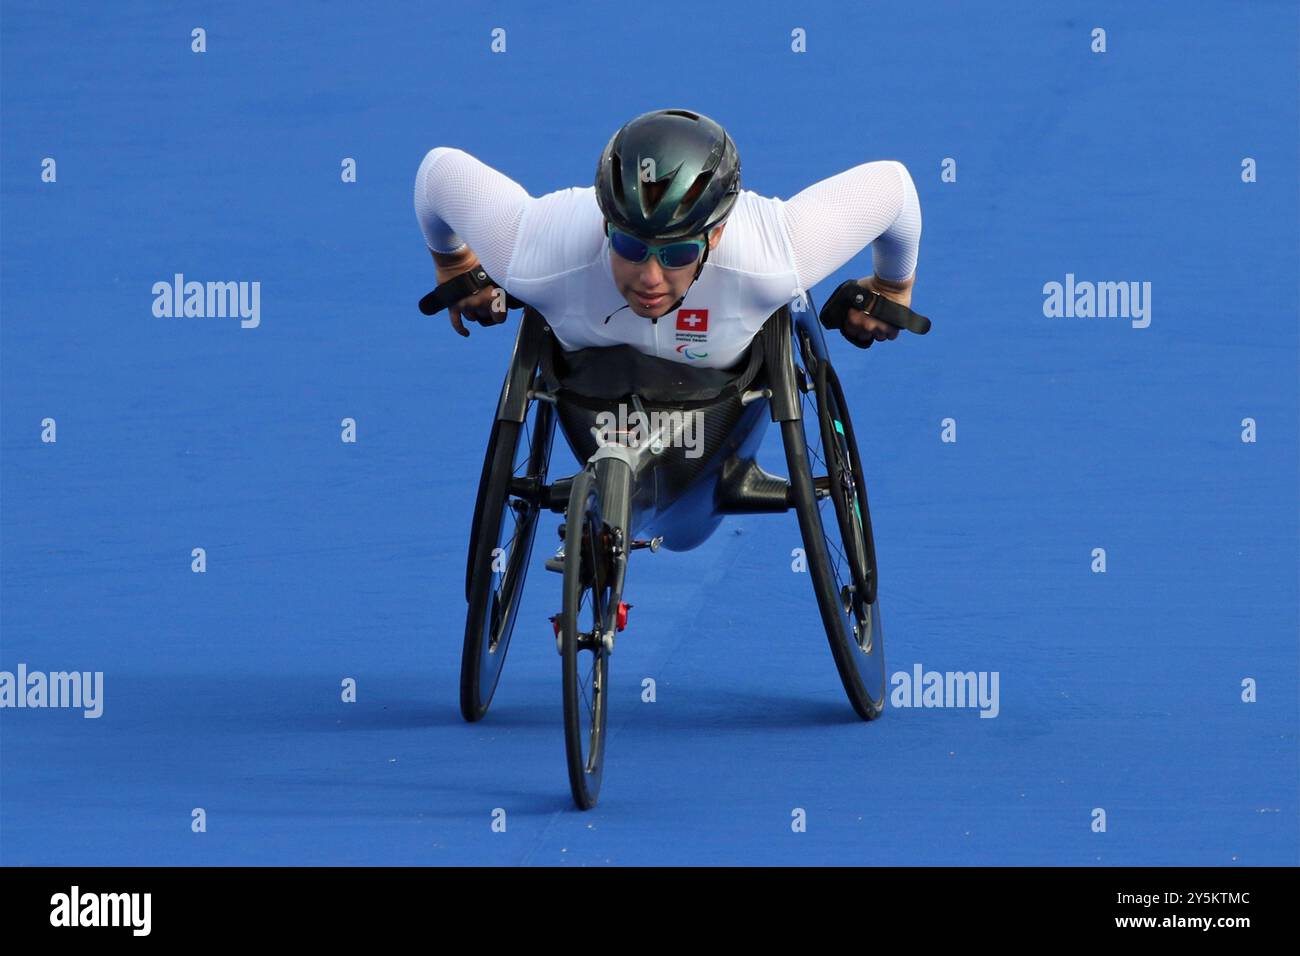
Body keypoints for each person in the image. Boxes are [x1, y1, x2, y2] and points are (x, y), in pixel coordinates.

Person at [413, 108, 920, 368]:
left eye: (676, 254)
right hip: (590, 403)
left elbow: (894, 187)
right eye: (631, 247)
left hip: (720, 411)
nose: (650, 278)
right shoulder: (537, 250)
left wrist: (892, 287)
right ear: (606, 225)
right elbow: (439, 172)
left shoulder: (772, 254)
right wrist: (455, 262)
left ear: (716, 236)